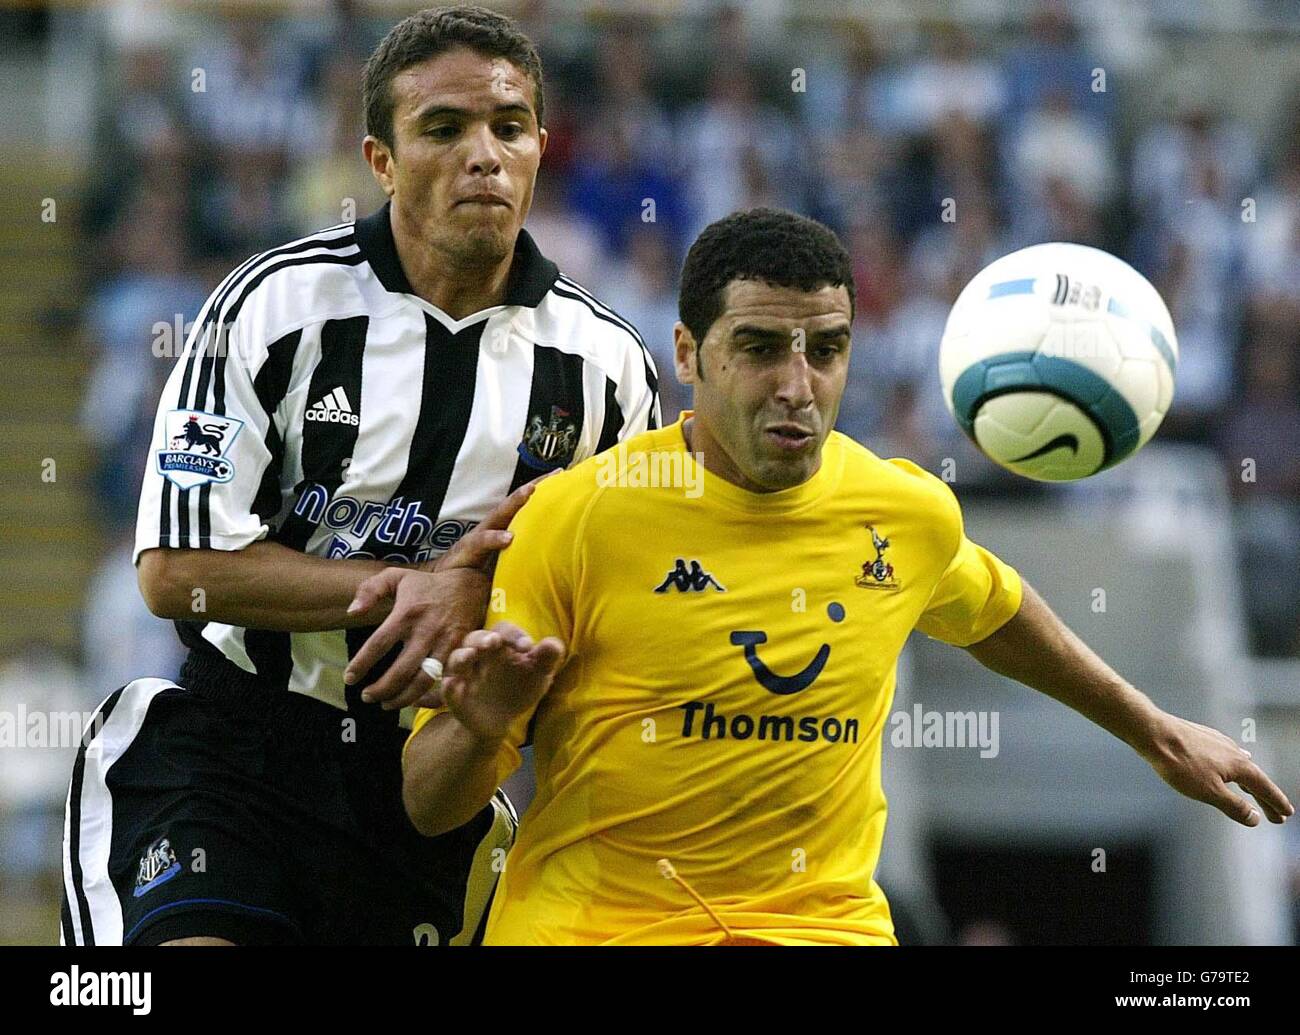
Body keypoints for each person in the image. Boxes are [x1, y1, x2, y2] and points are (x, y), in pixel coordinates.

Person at [391, 208, 1293, 945]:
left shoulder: (905, 512)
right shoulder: (576, 518)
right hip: (605, 929)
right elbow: (430, 808)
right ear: (687, 351)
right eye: (759, 347)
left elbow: (998, 611)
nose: (798, 384)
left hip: (822, 928)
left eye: (825, 349)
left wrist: (1157, 732)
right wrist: (483, 724)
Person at [61, 5, 659, 947]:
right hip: (234, 753)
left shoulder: (608, 369)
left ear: (542, 148)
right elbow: (175, 569)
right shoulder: (270, 309)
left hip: (435, 781)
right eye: (443, 128)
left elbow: (614, 610)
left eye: (508, 128)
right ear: (379, 160)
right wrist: (410, 590)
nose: (483, 155)